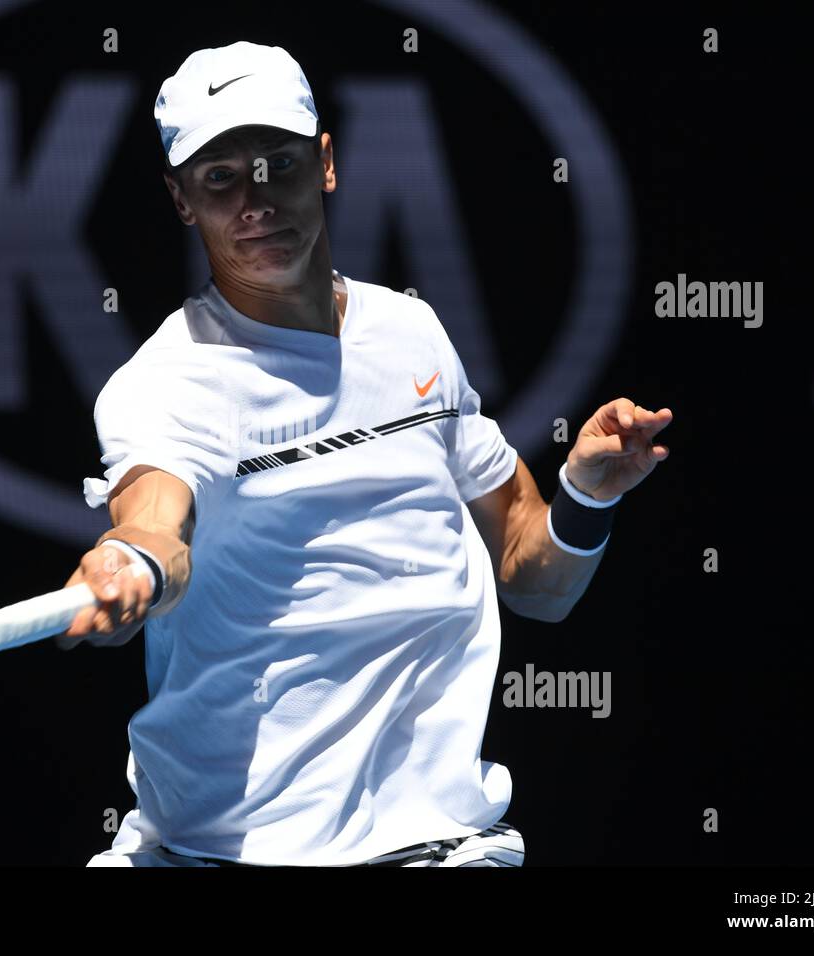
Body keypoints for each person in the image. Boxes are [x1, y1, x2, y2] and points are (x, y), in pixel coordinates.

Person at [62, 41, 672, 867]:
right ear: (180, 199)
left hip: (434, 845)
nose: (255, 199)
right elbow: (155, 517)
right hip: (219, 852)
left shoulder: (411, 332)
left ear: (326, 163)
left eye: (278, 162)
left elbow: (537, 582)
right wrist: (130, 561)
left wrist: (586, 496)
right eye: (219, 178)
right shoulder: (167, 386)